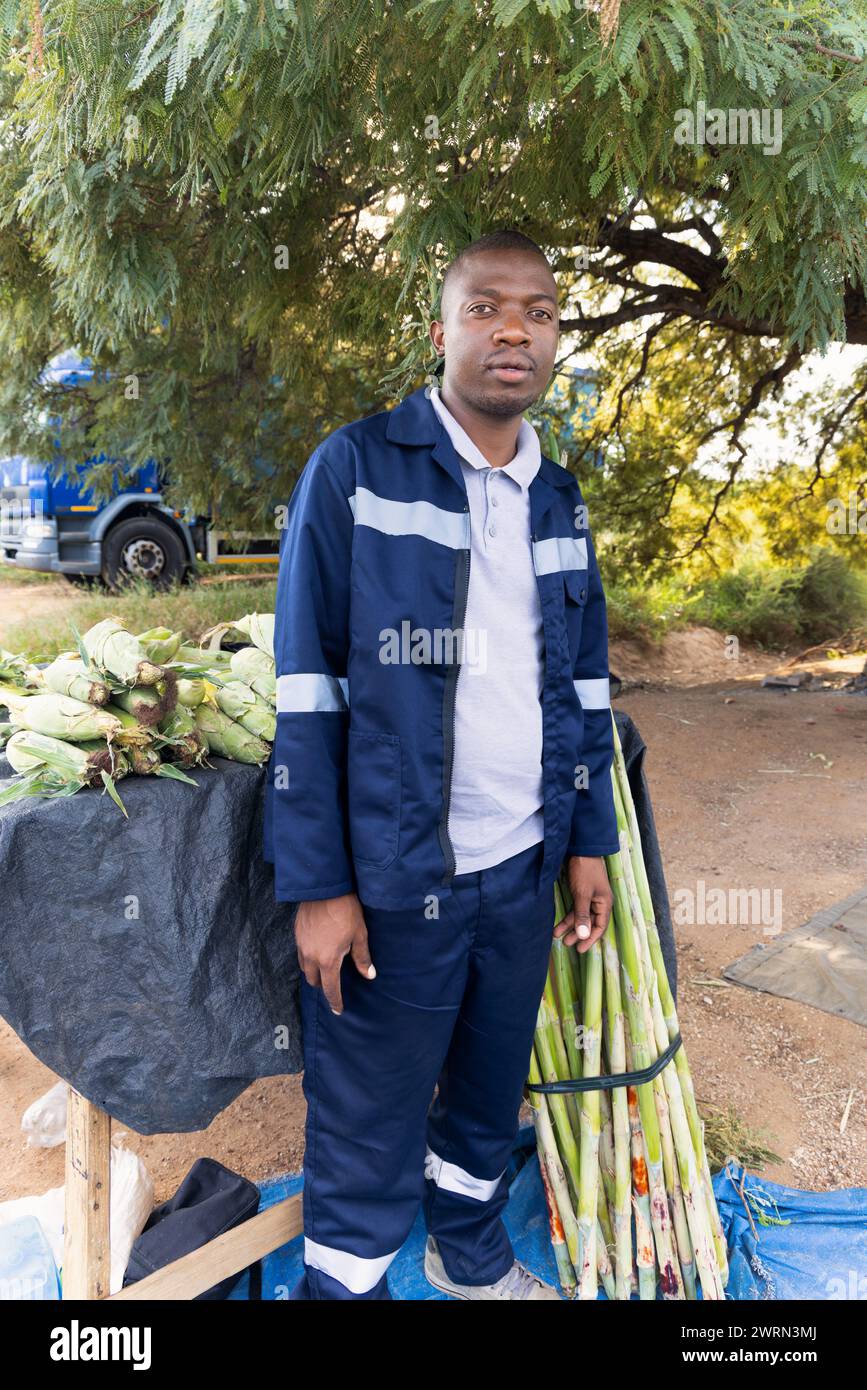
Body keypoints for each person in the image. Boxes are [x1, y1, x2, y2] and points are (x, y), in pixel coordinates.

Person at [265, 229, 619, 1301]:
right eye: (485, 307)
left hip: (521, 867)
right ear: (440, 332)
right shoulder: (359, 473)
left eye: (538, 311)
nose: (513, 328)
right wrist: (321, 885)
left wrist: (589, 839)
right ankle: (349, 1286)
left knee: (484, 1091)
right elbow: (307, 688)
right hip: (398, 876)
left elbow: (588, 684)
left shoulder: (559, 499)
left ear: (555, 338)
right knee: (369, 1113)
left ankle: (467, 1254)